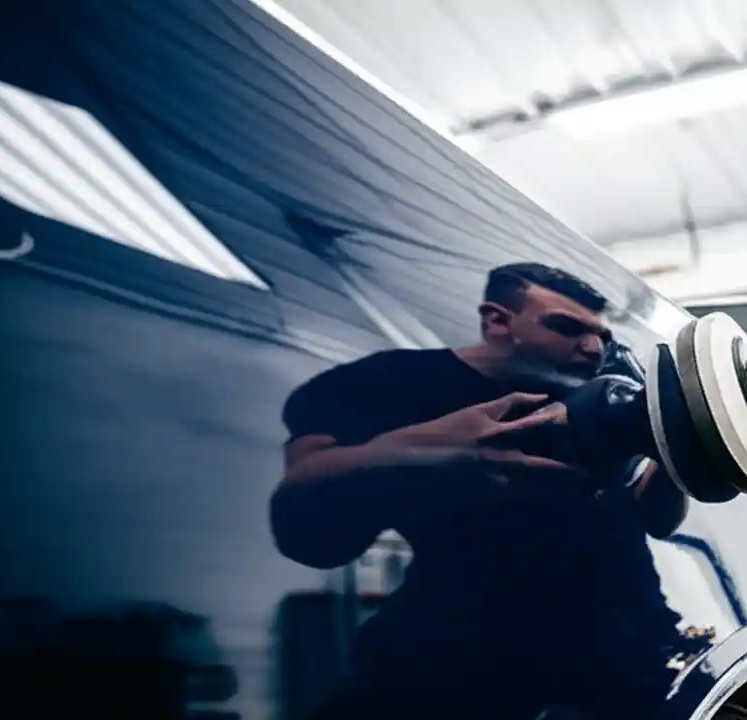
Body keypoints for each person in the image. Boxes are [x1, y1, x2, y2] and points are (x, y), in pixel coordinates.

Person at [270, 262, 692, 719]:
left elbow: (649, 516)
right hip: (463, 662)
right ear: (498, 320)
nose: (592, 348)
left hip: (630, 655)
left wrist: (677, 454)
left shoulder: (599, 397)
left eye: (601, 336)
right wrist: (418, 448)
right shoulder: (393, 382)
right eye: (567, 327)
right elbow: (301, 519)